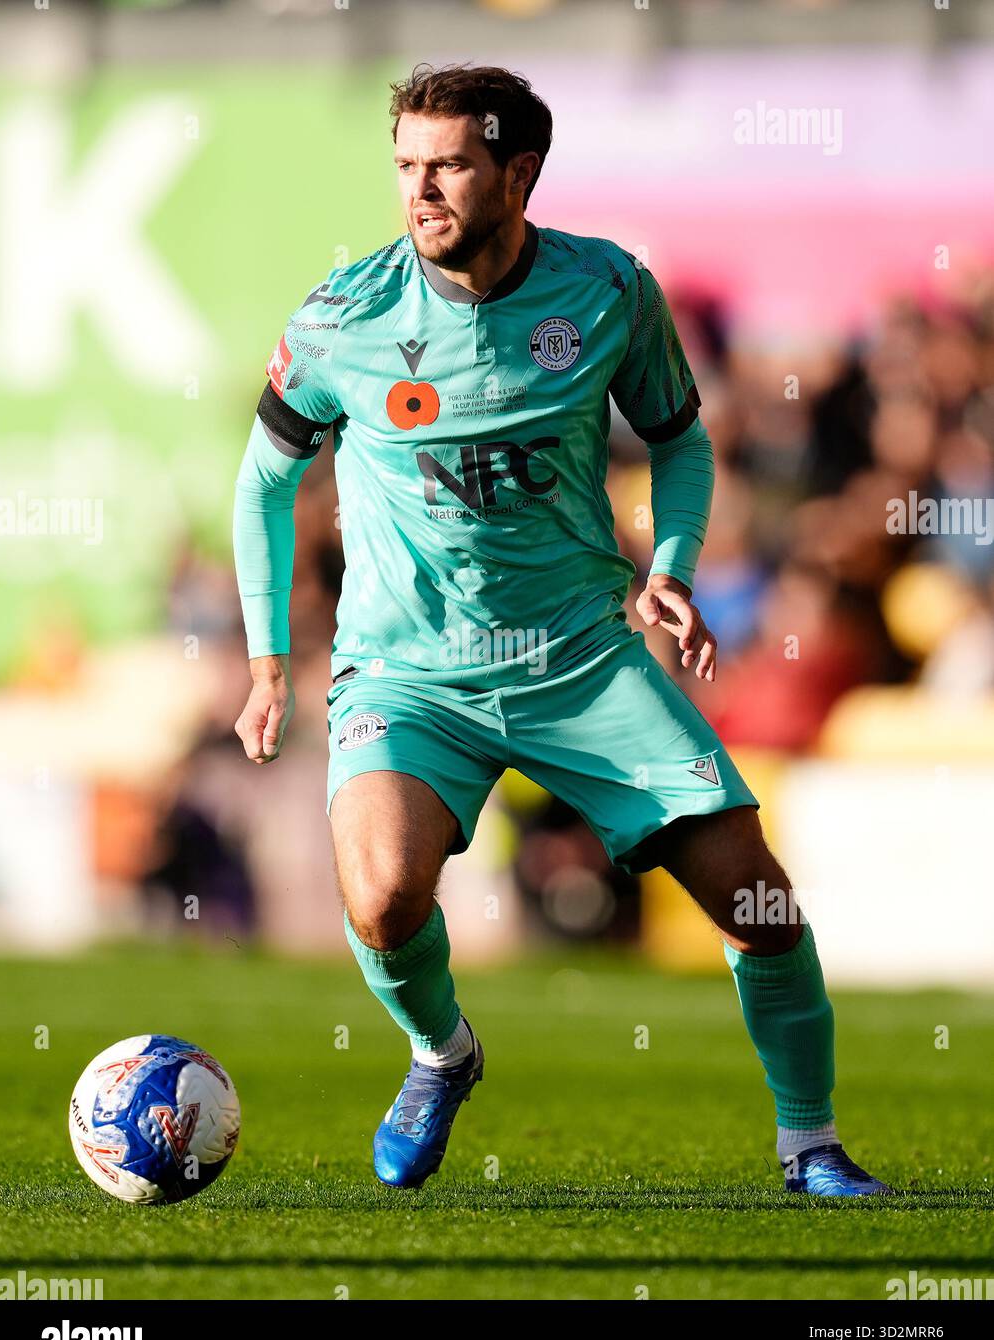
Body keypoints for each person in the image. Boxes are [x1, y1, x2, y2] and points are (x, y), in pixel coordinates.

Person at [233, 63, 889, 1197]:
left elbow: (678, 440)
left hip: (580, 659)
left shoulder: (607, 292)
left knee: (758, 901)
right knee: (383, 894)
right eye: (404, 165)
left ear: (518, 173)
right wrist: (262, 661)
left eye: (447, 165)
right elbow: (259, 485)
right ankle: (442, 1052)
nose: (419, 190)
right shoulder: (343, 317)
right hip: (409, 670)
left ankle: (810, 1144)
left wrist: (671, 569)